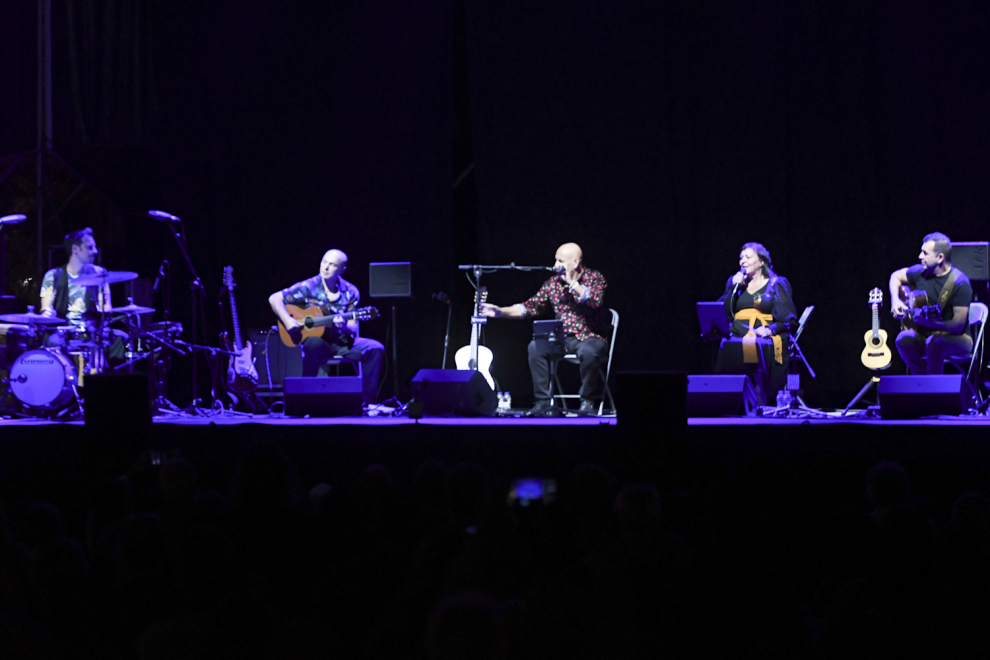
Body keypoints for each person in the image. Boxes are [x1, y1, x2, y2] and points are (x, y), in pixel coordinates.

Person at [480, 242, 610, 415]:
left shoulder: (594, 278)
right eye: (555, 260)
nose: (555, 265)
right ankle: (543, 402)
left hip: (591, 337)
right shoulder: (553, 284)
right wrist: (500, 311)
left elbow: (594, 300)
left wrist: (572, 283)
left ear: (576, 262)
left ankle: (587, 401)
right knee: (535, 347)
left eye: (560, 261)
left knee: (588, 352)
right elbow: (529, 307)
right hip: (563, 339)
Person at [268, 249, 384, 406]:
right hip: (319, 342)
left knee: (376, 348)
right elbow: (274, 298)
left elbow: (352, 326)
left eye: (332, 265)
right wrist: (288, 320)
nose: (326, 267)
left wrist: (343, 327)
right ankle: (305, 396)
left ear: (342, 270)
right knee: (313, 342)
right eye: (324, 262)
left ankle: (365, 402)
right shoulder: (308, 286)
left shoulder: (350, 291)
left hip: (343, 342)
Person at [715, 242, 797, 405]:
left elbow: (789, 320)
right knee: (727, 344)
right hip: (737, 333)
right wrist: (733, 288)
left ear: (761, 261)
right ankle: (727, 399)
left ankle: (761, 398)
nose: (742, 261)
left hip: (763, 335)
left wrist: (770, 329)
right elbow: (724, 312)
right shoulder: (736, 284)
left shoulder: (776, 283)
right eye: (741, 258)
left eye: (748, 257)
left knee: (755, 345)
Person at [889, 232, 972, 375]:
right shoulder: (920, 272)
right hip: (926, 335)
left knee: (935, 343)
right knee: (903, 339)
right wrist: (895, 300)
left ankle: (933, 385)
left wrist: (930, 323)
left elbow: (957, 325)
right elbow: (895, 276)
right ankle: (921, 379)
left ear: (940, 258)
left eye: (925, 253)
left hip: (958, 338)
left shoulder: (960, 283)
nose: (920, 256)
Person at [39, 227, 112, 324]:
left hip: (91, 330)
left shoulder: (99, 274)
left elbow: (106, 308)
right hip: (63, 330)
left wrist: (105, 313)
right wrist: (48, 313)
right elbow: (46, 310)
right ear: (75, 249)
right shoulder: (53, 276)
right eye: (90, 247)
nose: (95, 251)